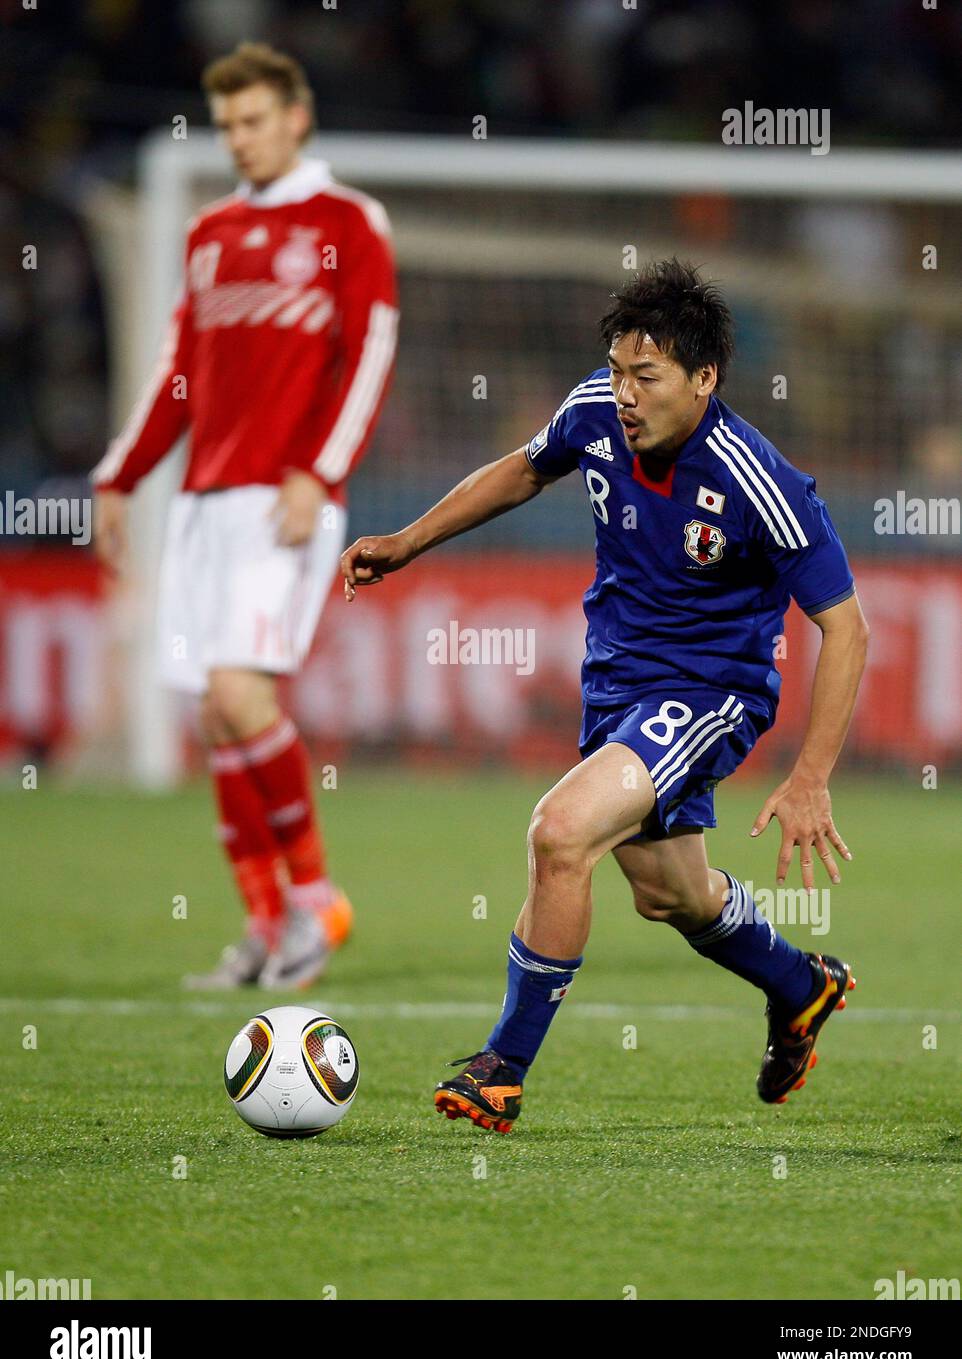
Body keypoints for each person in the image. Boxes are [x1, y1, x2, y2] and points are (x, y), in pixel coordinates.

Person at [340, 258, 868, 1132]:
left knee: (561, 832)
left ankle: (500, 1069)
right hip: (617, 685)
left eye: (646, 377)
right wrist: (411, 541)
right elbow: (523, 467)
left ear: (704, 380)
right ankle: (800, 986)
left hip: (709, 694)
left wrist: (811, 776)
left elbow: (845, 626)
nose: (625, 393)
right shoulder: (594, 411)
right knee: (670, 895)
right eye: (619, 371)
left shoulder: (758, 479)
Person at [92, 42, 398, 990]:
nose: (239, 138)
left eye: (255, 120)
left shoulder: (347, 220)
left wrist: (319, 470)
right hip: (202, 505)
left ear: (296, 118)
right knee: (217, 723)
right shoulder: (210, 231)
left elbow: (368, 354)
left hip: (284, 502)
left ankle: (313, 901)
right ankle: (262, 925)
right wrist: (119, 475)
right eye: (226, 125)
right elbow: (173, 373)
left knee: (240, 696)